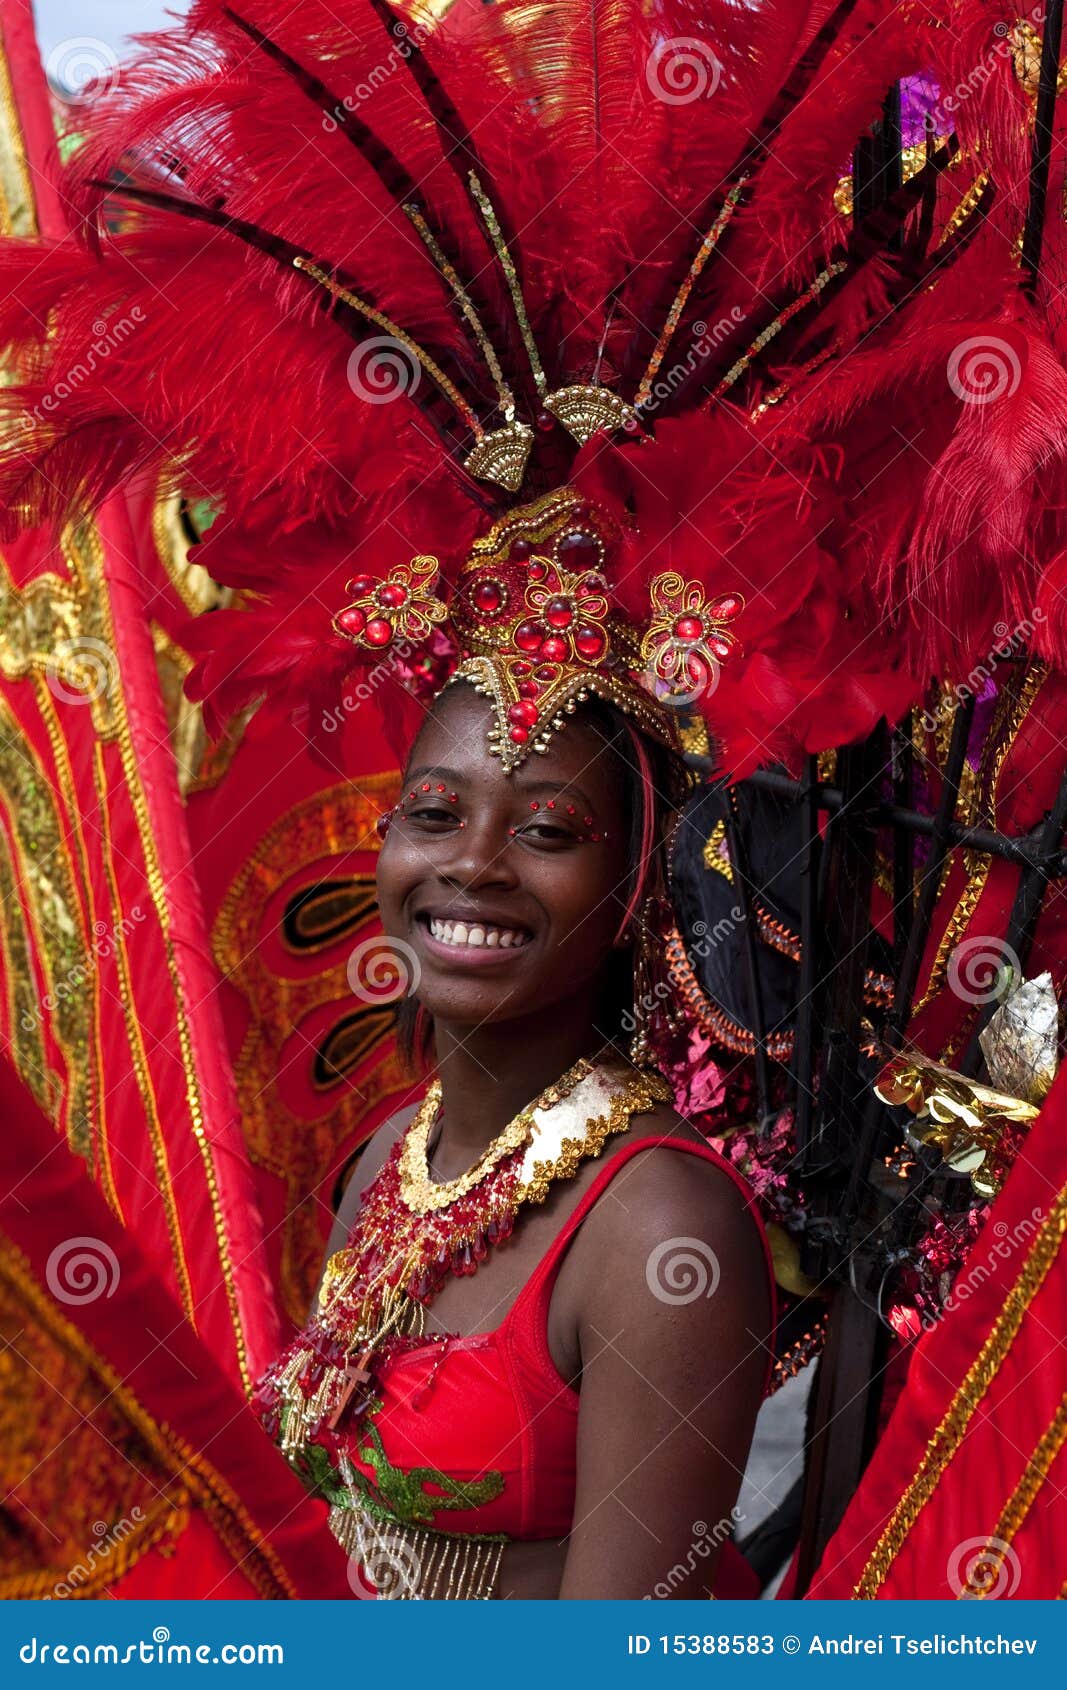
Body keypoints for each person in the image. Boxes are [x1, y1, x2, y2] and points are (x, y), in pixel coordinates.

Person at [255, 668, 774, 1599]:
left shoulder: (660, 1230)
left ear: (631, 891)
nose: (474, 865)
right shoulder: (394, 1153)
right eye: (434, 814)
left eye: (546, 832)